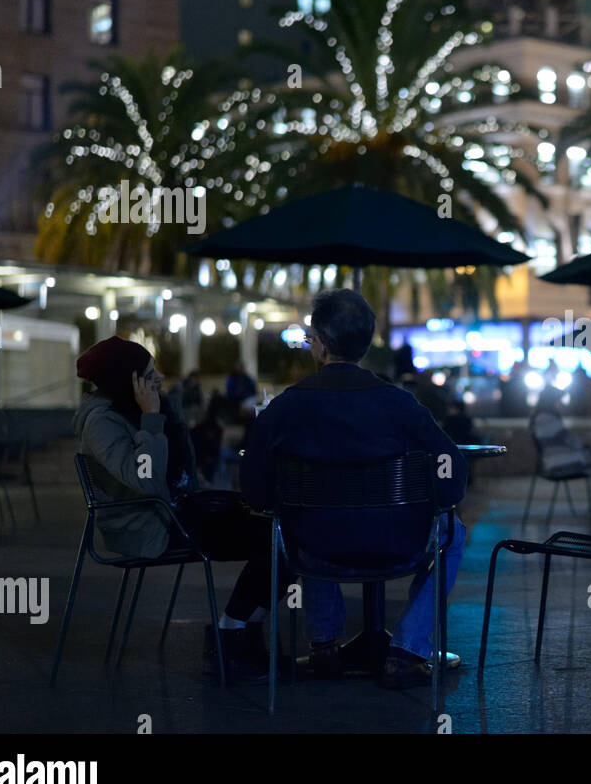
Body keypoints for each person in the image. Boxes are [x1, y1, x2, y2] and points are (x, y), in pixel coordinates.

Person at [241, 289, 469, 687]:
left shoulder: (285, 408)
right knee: (455, 532)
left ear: (322, 345)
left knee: (304, 517)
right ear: (364, 344)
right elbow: (451, 470)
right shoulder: (400, 404)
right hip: (399, 543)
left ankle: (324, 646)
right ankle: (408, 648)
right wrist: (436, 504)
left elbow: (254, 490)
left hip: (314, 548)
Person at [72, 336, 288, 684]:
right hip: (148, 524)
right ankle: (231, 637)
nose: (158, 378)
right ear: (127, 381)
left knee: (283, 532)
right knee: (275, 540)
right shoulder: (102, 422)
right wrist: (152, 419)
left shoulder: (135, 408)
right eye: (148, 373)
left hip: (175, 512)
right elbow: (144, 479)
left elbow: (179, 473)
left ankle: (240, 632)